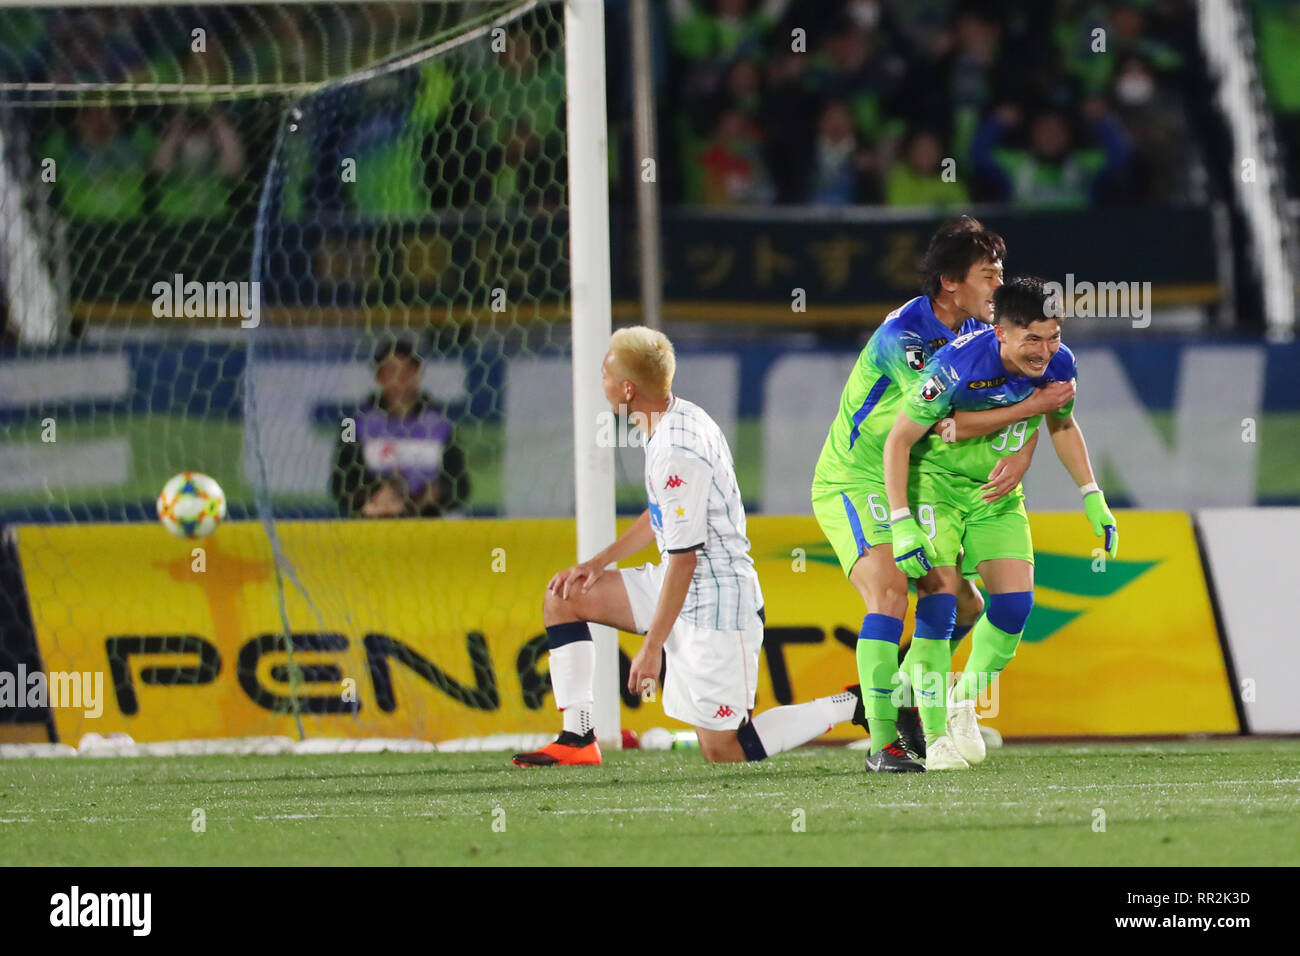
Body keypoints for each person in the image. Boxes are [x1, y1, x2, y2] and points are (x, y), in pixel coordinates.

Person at [513, 326, 864, 767]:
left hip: (717, 605)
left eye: (604, 372)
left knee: (726, 750)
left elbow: (685, 558)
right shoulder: (672, 419)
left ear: (626, 389)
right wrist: (598, 562)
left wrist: (651, 647)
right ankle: (578, 735)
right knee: (563, 597)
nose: (598, 380)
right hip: (679, 584)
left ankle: (853, 704)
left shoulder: (678, 449)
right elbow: (664, 513)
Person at [810, 217, 1074, 772]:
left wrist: (1024, 450)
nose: (1000, 288)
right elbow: (945, 424)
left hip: (918, 474)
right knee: (890, 593)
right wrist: (1033, 410)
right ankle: (884, 742)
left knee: (965, 604)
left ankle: (904, 697)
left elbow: (1007, 401)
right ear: (950, 282)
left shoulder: (983, 330)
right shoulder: (905, 338)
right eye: (989, 275)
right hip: (859, 477)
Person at [882, 276, 1118, 767]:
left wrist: (1092, 495)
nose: (1045, 350)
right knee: (938, 611)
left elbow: (1062, 423)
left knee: (1013, 607)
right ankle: (936, 739)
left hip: (996, 495)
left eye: (1053, 336)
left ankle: (964, 701)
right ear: (1000, 333)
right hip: (938, 490)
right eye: (1032, 338)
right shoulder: (952, 368)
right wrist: (902, 520)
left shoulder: (1061, 363)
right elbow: (899, 441)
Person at [331, 338, 470, 518]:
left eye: (405, 372)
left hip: (425, 527)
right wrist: (374, 496)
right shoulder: (352, 424)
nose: (398, 381)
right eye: (390, 372)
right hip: (372, 526)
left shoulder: (441, 424)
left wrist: (435, 494)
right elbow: (339, 485)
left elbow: (461, 486)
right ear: (379, 378)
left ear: (417, 374)